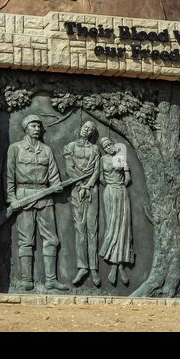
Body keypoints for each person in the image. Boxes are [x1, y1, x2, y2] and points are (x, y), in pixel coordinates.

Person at [5, 114, 67, 291]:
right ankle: (26, 280)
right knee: (26, 240)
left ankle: (51, 280)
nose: (37, 129)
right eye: (33, 125)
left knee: (51, 239)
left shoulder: (46, 150)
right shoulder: (15, 149)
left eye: (39, 126)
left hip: (45, 197)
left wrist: (56, 186)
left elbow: (54, 175)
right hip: (24, 197)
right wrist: (12, 199)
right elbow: (9, 176)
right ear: (26, 128)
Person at [61, 120, 102, 287]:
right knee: (80, 229)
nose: (87, 130)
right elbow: (68, 168)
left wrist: (88, 185)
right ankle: (82, 267)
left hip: (91, 190)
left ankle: (93, 268)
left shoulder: (95, 149)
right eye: (85, 127)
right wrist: (80, 185)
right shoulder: (70, 147)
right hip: (77, 190)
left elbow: (97, 170)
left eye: (90, 129)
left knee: (92, 229)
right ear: (80, 128)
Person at [98, 137, 134, 286]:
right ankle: (114, 265)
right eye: (105, 147)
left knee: (124, 228)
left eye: (109, 144)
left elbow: (128, 178)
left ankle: (119, 266)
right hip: (110, 193)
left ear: (113, 144)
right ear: (104, 149)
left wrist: (120, 185)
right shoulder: (102, 160)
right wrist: (111, 186)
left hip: (121, 192)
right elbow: (101, 177)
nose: (108, 148)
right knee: (113, 226)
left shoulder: (120, 158)